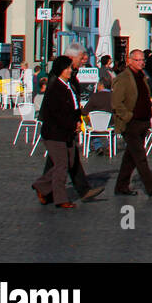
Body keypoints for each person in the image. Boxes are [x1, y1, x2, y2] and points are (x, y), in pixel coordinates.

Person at [40, 43, 103, 199]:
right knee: (64, 159)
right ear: (71, 58)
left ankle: (46, 190)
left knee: (63, 159)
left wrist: (76, 119)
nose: (83, 61)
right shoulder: (58, 78)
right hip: (58, 126)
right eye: (81, 58)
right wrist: (71, 122)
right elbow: (57, 106)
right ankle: (76, 191)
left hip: (66, 125)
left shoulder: (71, 76)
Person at [110, 49, 152, 197]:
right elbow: (116, 102)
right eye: (138, 60)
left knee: (130, 158)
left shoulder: (142, 76)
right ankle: (151, 186)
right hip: (131, 123)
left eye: (142, 60)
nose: (141, 62)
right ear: (130, 61)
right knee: (139, 156)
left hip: (143, 121)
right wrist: (127, 116)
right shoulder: (124, 78)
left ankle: (121, 186)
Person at [32, 56, 81, 209]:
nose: (70, 71)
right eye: (67, 68)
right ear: (60, 70)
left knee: (70, 161)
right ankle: (61, 199)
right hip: (55, 133)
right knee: (61, 165)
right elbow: (55, 113)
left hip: (67, 131)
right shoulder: (55, 88)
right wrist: (72, 124)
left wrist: (78, 120)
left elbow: (74, 107)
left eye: (70, 68)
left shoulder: (68, 86)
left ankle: (41, 185)